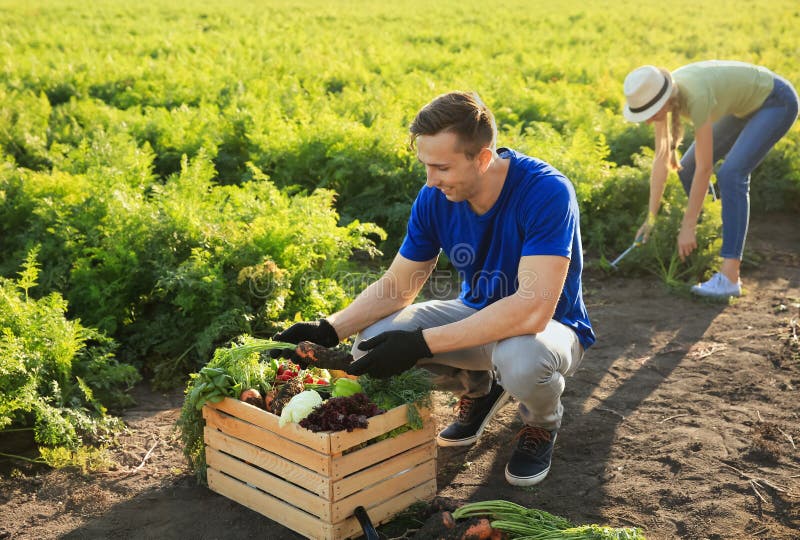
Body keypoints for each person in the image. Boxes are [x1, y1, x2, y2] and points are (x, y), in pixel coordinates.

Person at [273, 91, 595, 487]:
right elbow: (397, 286)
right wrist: (329, 328)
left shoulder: (545, 192)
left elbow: (531, 310)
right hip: (477, 317)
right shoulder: (435, 197)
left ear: (482, 158)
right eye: (425, 165)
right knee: (369, 343)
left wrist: (422, 344)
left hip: (549, 331)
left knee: (521, 360)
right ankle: (481, 389)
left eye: (441, 167)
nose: (430, 180)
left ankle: (541, 424)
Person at [622, 61, 799, 298]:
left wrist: (688, 225)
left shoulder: (695, 95)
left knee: (732, 174)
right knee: (687, 168)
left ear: (662, 101)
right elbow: (662, 159)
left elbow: (705, 169)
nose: (646, 121)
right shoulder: (664, 97)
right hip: (744, 107)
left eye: (648, 114)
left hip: (776, 101)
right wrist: (650, 218)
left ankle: (730, 276)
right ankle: (716, 240)